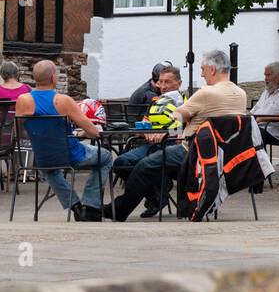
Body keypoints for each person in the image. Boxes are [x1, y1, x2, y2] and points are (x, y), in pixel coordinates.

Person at [108, 48, 246, 221]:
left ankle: (120, 210)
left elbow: (177, 116)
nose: (202, 75)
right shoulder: (241, 93)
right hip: (222, 156)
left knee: (144, 166)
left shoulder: (206, 93)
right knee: (144, 161)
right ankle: (154, 195)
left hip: (192, 151)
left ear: (212, 69)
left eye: (203, 70)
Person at [14, 60, 114, 221]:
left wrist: (43, 135)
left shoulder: (22, 100)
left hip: (42, 157)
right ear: (54, 78)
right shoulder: (63, 101)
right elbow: (94, 132)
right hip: (71, 154)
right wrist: (81, 133)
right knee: (106, 156)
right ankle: (91, 206)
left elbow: (19, 132)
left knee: (49, 168)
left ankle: (75, 205)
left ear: (34, 78)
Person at [113, 66, 185, 218]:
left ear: (179, 83)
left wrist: (165, 134)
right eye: (160, 82)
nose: (163, 86)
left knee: (146, 164)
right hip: (150, 144)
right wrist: (146, 133)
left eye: (168, 82)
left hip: (173, 146)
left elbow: (180, 131)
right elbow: (142, 126)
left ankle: (161, 188)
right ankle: (156, 196)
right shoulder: (155, 102)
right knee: (121, 162)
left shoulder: (184, 102)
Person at [251, 61, 279, 159]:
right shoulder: (266, 92)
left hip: (273, 132)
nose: (265, 78)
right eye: (265, 75)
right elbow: (253, 111)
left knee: (256, 134)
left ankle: (262, 169)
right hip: (257, 126)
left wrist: (261, 119)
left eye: (268, 75)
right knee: (237, 131)